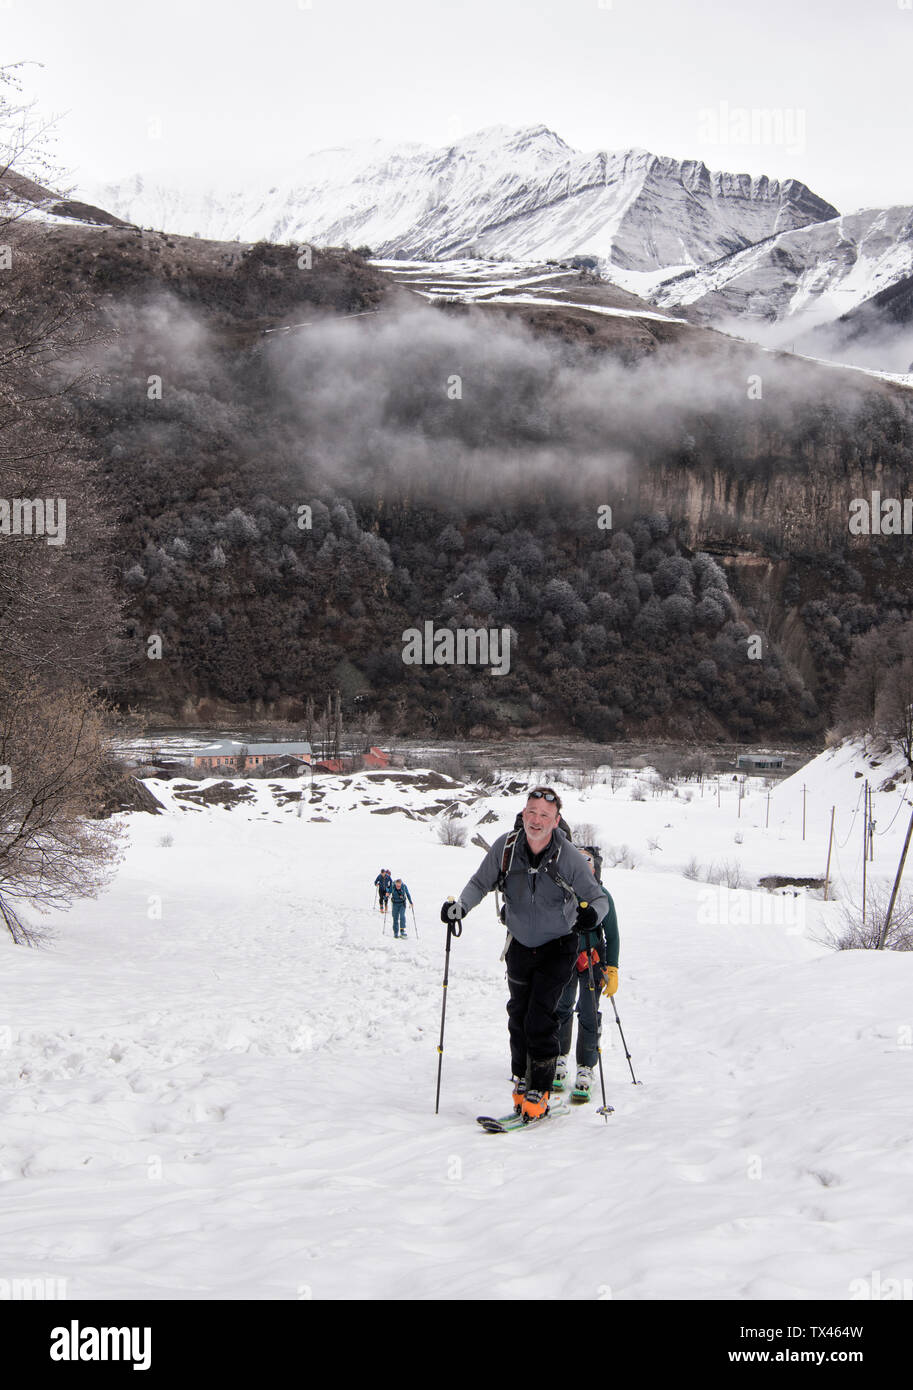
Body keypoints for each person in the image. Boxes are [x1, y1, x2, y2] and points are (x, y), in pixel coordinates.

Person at [440, 787, 608, 1122]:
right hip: (519, 944)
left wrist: (592, 915)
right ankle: (521, 1078)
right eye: (532, 812)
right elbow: (480, 883)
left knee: (540, 1017)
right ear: (524, 813)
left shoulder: (568, 856)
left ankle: (540, 1089)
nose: (536, 820)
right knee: (518, 1015)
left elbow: (599, 898)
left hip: (559, 946)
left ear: (555, 821)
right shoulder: (506, 847)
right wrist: (460, 907)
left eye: (545, 815)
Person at [554, 845, 619, 1099]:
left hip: (592, 961)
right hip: (565, 959)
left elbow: (613, 935)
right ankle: (559, 1059)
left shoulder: (602, 895)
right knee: (562, 1008)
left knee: (589, 1012)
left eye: (587, 864)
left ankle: (585, 1067)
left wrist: (612, 968)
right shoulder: (562, 892)